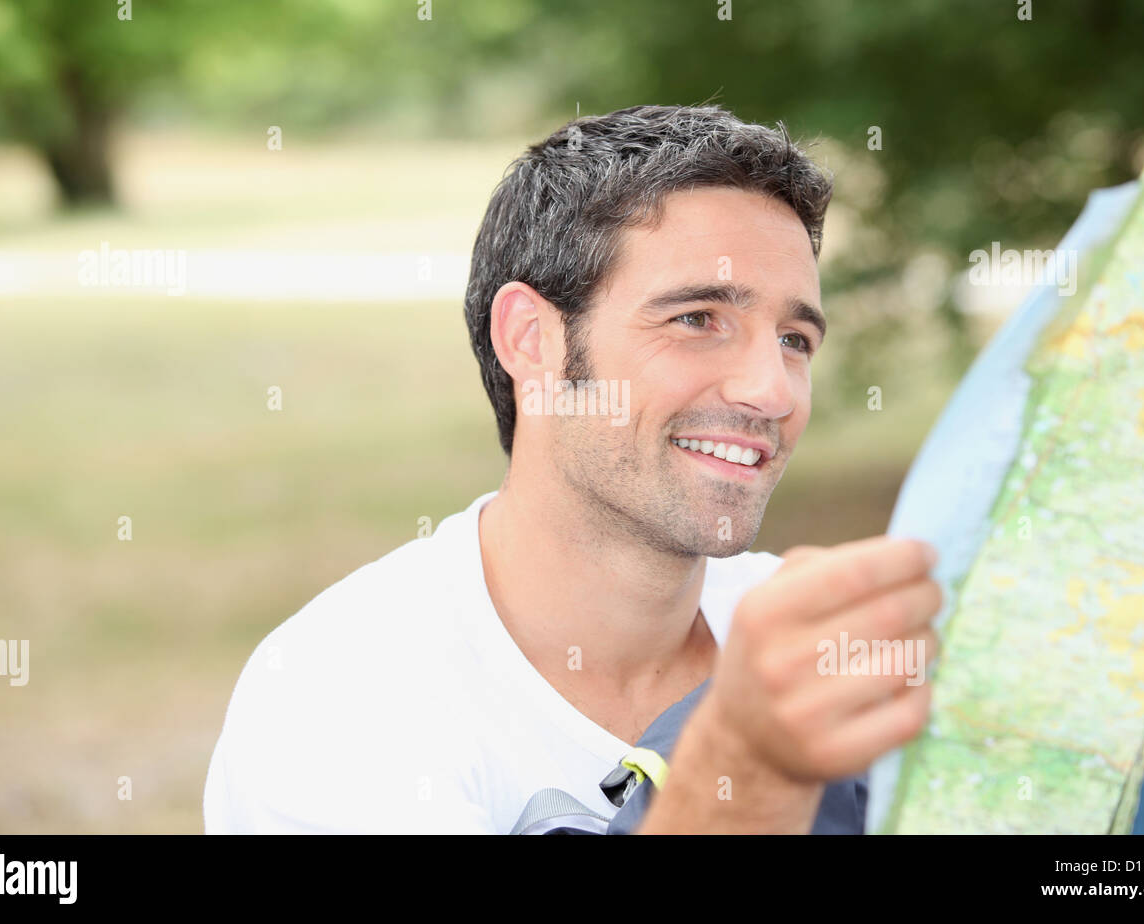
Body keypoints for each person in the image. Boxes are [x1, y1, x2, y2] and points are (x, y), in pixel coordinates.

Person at [203, 104, 941, 833]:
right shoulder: (339, 697)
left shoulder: (830, 647)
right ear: (530, 341)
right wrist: (743, 767)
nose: (772, 391)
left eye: (794, 339)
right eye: (696, 319)